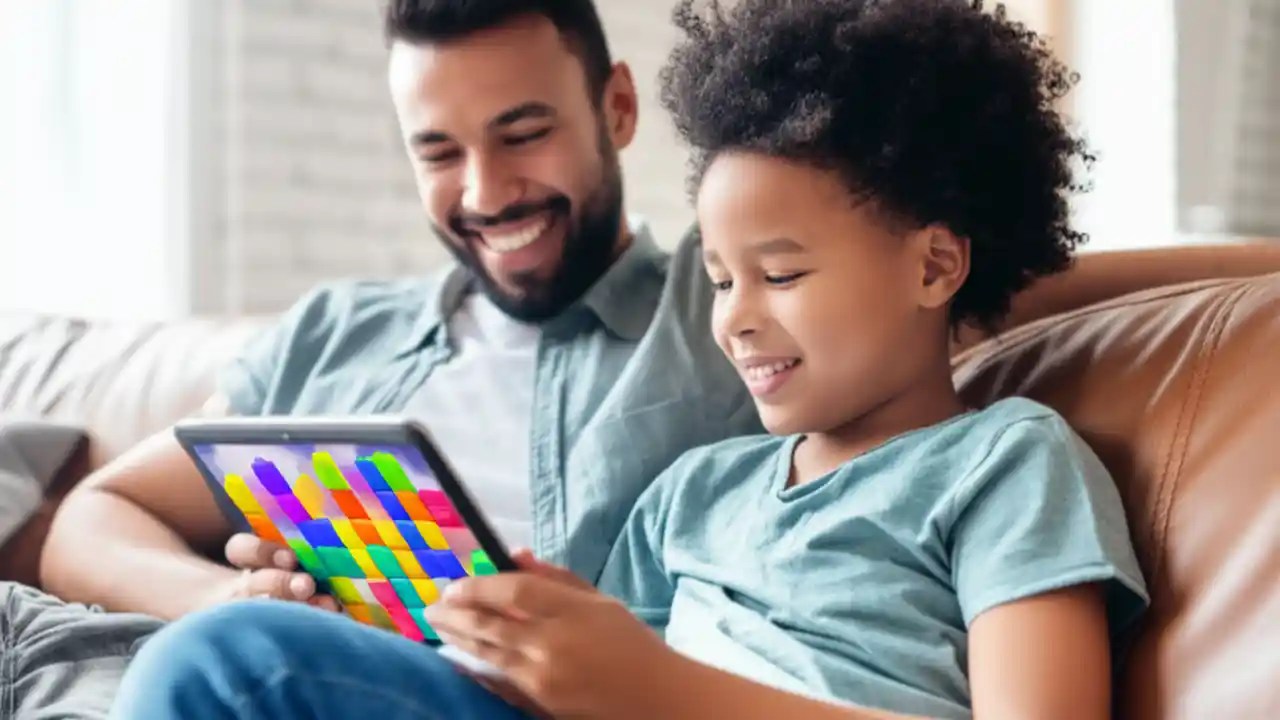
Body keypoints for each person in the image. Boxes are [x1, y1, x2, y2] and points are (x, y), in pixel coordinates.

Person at [4, 0, 1277, 717]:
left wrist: (647, 681)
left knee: (221, 668)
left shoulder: (1002, 462)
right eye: (721, 279)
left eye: (777, 275)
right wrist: (550, 637)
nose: (732, 317)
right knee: (204, 651)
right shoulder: (696, 492)